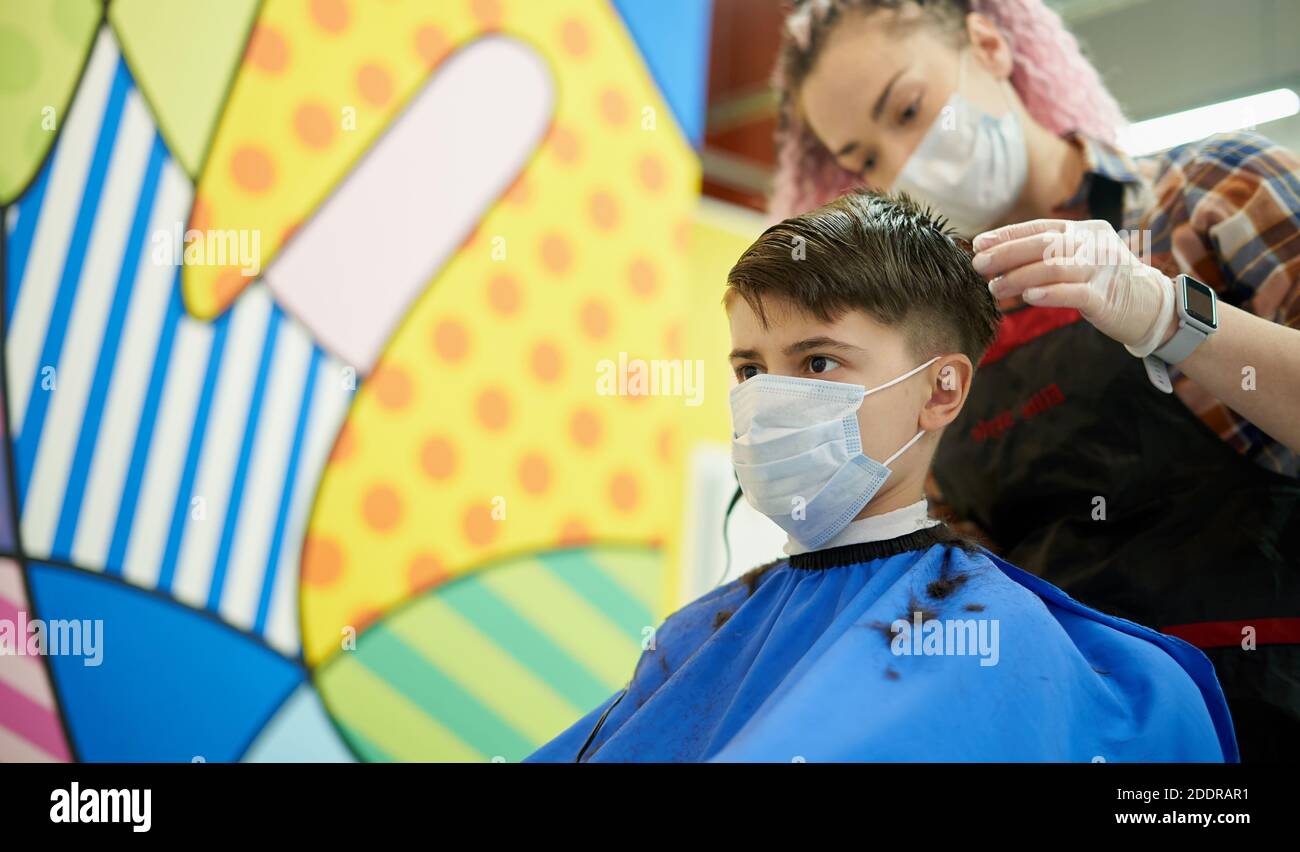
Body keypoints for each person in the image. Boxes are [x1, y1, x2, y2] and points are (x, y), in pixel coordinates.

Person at [523, 190, 1236, 762]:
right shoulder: (696, 636)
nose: (769, 400)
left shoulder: (1001, 639)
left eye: (818, 362)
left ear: (942, 391)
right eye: (749, 369)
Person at [770, 0, 1300, 761]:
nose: (901, 163)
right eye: (865, 159)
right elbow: (971, 603)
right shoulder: (941, 357)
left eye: (909, 109)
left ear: (988, 46)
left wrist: (1166, 317)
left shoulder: (1212, 194)